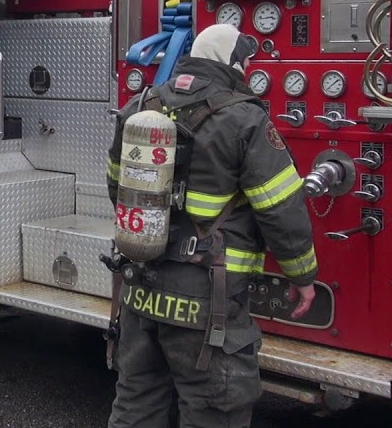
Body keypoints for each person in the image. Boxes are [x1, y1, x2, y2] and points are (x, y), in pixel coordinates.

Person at [105, 23, 318, 428]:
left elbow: (117, 188)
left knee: (136, 404)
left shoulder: (141, 106)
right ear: (232, 62)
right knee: (214, 414)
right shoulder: (245, 119)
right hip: (205, 301)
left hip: (139, 289)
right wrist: (302, 274)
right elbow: (281, 209)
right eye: (247, 60)